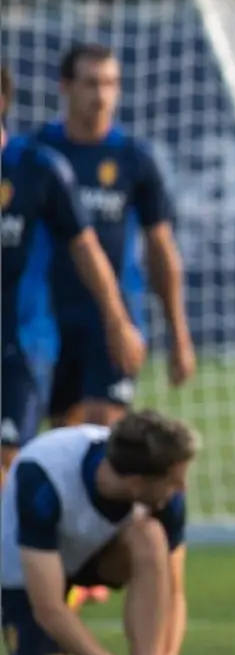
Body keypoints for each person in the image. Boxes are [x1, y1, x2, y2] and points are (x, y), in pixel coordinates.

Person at [1, 410, 197, 655]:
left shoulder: (164, 494)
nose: (182, 487)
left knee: (150, 536)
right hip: (23, 575)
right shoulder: (43, 479)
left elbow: (173, 586)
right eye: (174, 480)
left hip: (95, 558)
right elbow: (48, 609)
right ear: (137, 483)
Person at [33, 44, 195, 427]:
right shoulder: (39, 153)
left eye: (110, 84)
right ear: (65, 87)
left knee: (103, 433)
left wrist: (179, 333)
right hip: (48, 317)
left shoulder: (134, 158)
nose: (101, 95)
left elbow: (160, 248)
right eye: (91, 84)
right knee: (65, 437)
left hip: (114, 318)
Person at [2, 66, 145, 478]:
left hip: (20, 342)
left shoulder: (36, 169)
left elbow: (86, 248)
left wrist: (118, 322)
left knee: (31, 460)